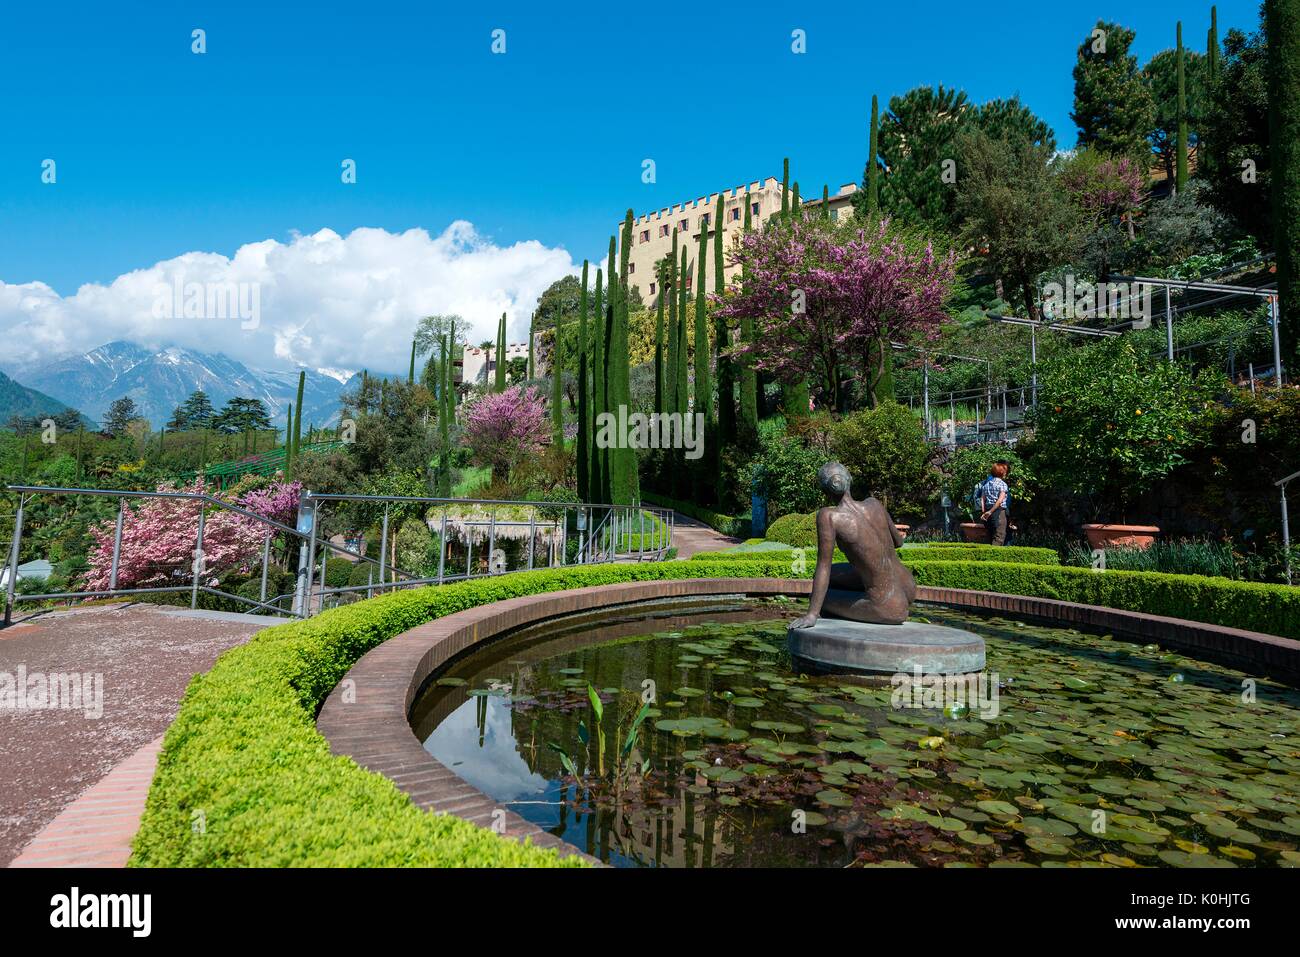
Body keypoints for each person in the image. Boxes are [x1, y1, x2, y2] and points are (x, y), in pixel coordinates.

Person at [788, 462, 916, 628]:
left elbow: (823, 567)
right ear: (849, 480)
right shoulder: (874, 504)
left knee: (819, 596)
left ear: (824, 491)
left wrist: (812, 614)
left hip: (890, 607)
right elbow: (898, 542)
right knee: (838, 573)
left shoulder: (829, 516)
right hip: (909, 587)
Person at [978, 461, 1010, 545]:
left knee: (990, 535)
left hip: (987, 511)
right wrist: (991, 511)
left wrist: (984, 512)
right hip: (998, 512)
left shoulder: (986, 485)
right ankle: (993, 556)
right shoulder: (1003, 485)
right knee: (999, 536)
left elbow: (982, 499)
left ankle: (987, 554)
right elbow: (999, 501)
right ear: (1002, 473)